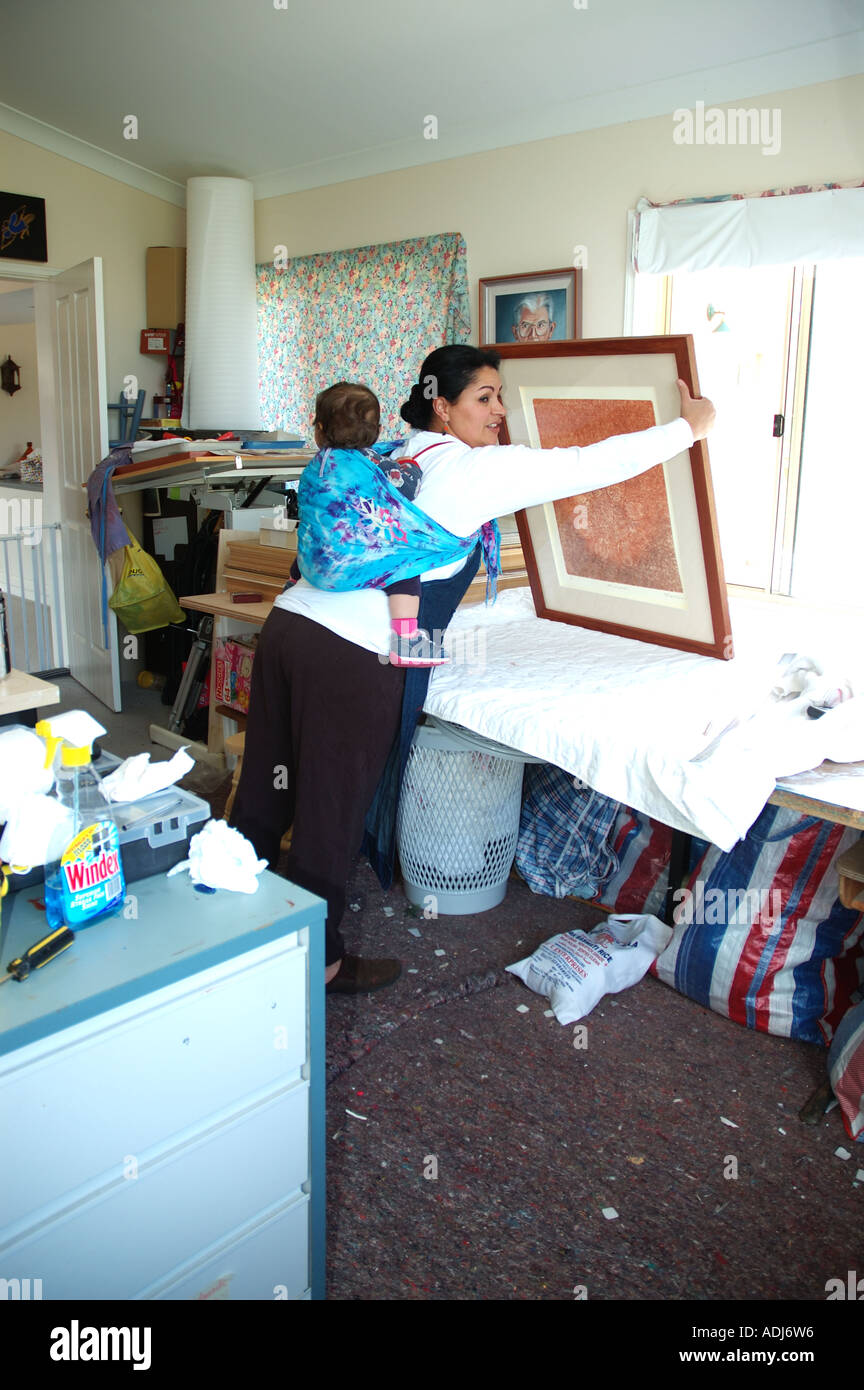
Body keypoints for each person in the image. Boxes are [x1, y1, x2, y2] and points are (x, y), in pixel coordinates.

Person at [229, 344, 715, 995]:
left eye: (499, 396)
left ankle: (228, 932)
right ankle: (319, 964)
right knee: (330, 811)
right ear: (442, 404)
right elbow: (588, 465)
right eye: (484, 397)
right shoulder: (474, 472)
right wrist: (690, 427)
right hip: (350, 654)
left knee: (266, 788)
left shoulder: (394, 452)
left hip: (289, 629)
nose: (499, 410)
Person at [286, 381, 456, 667]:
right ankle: (406, 639)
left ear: (320, 430)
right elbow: (406, 488)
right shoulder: (374, 462)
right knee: (404, 566)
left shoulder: (316, 465)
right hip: (353, 566)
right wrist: (410, 466)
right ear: (376, 432)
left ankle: (291, 583)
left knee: (312, 536)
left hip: (314, 567)